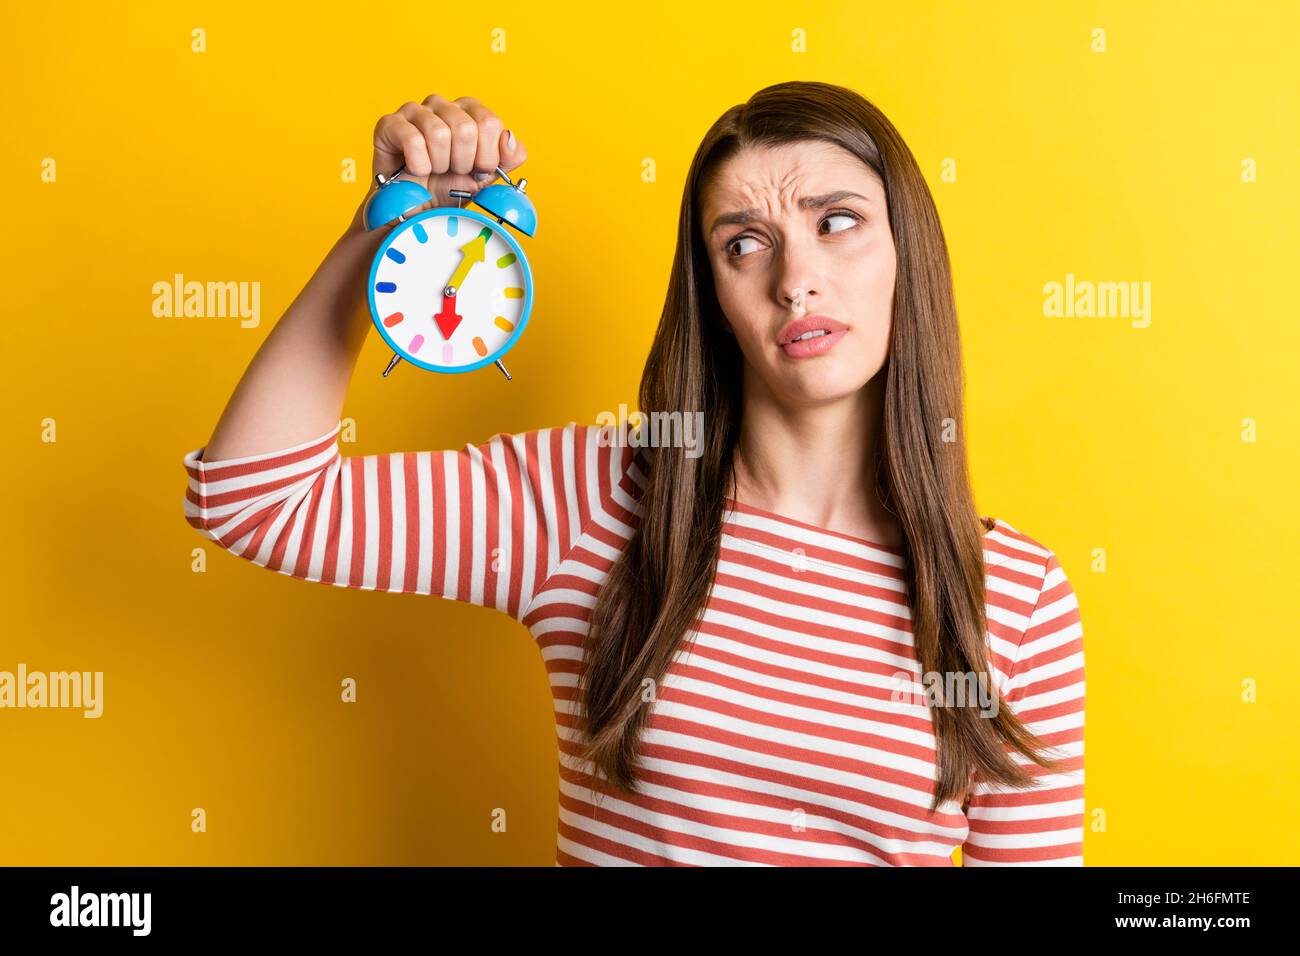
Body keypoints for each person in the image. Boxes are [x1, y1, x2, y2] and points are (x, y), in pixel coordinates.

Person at [182, 82, 1085, 866]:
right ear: (714, 295)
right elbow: (253, 499)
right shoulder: (594, 502)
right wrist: (384, 227)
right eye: (744, 244)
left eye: (837, 222)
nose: (795, 280)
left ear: (906, 254)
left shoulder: (1017, 597)